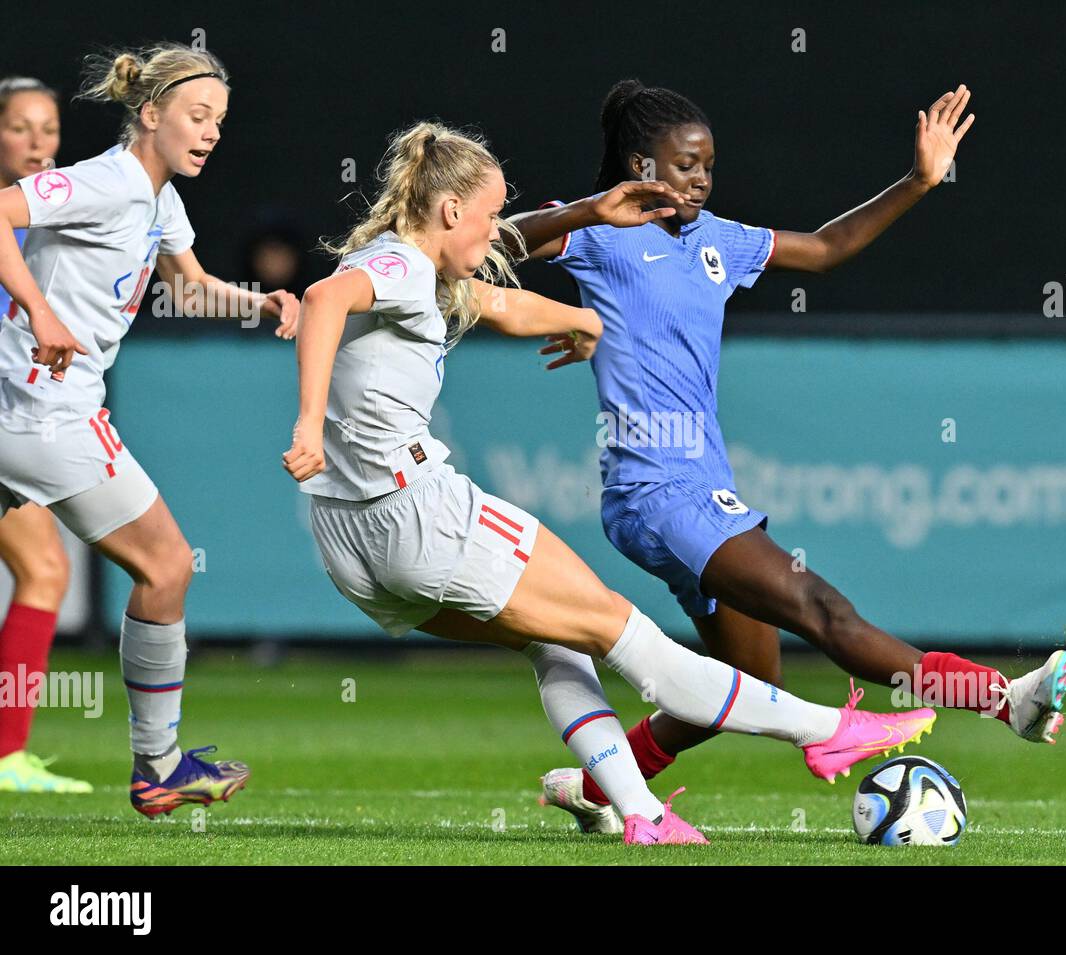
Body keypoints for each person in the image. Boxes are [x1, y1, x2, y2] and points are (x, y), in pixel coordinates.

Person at [281, 120, 937, 846]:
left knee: (554, 643)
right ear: (451, 211)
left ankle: (645, 816)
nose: (501, 232)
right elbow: (321, 299)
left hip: (346, 544)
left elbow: (500, 304)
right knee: (629, 635)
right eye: (494, 214)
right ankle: (827, 729)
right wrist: (309, 425)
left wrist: (581, 319)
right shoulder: (403, 266)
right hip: (416, 514)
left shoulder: (416, 270)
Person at [508, 80, 1066, 833]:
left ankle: (598, 784)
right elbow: (495, 242)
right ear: (642, 164)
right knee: (825, 611)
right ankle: (1005, 699)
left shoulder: (715, 239)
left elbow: (827, 246)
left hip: (701, 486)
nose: (702, 179)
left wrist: (917, 181)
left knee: (748, 682)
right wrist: (587, 210)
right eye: (684, 165)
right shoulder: (604, 235)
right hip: (657, 489)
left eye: (709, 164)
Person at [0, 43, 300, 816]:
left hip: (32, 411)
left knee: (152, 567)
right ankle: (157, 765)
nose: (211, 133)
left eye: (220, 122)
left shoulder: (159, 199)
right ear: (150, 113)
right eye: (197, 117)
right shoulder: (104, 181)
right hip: (44, 412)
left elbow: (190, 288)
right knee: (166, 565)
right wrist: (39, 307)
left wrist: (260, 303)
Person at [0, 75, 93, 794]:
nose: (38, 143)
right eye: (21, 127)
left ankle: (6, 752)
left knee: (45, 570)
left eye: (49, 128)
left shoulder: (57, 209)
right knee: (46, 570)